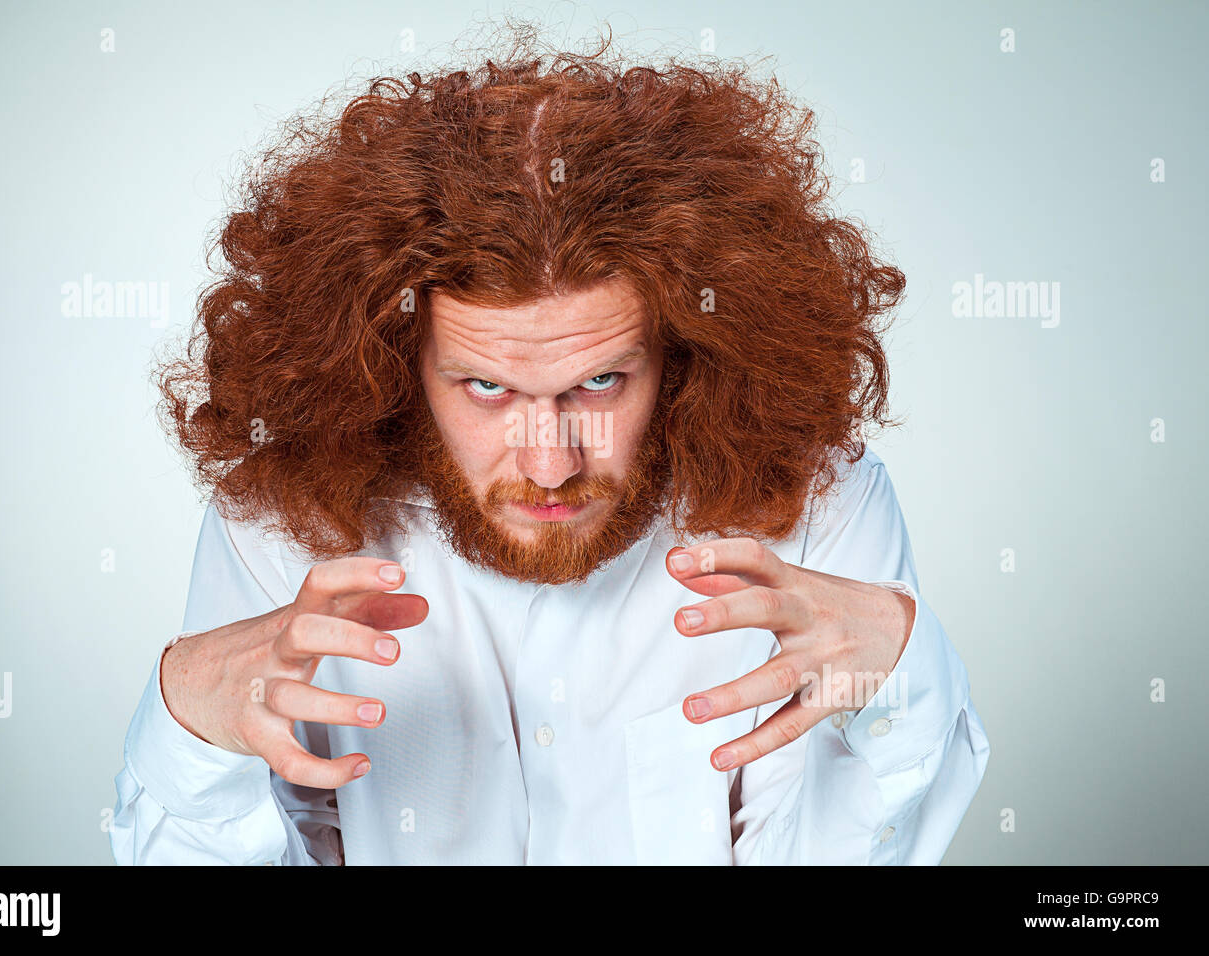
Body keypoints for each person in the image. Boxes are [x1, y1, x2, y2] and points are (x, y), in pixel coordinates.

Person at [110, 33, 989, 865]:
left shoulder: (817, 509)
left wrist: (906, 676)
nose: (550, 464)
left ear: (682, 355)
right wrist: (188, 726)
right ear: (392, 361)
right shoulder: (283, 524)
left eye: (600, 382)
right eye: (487, 388)